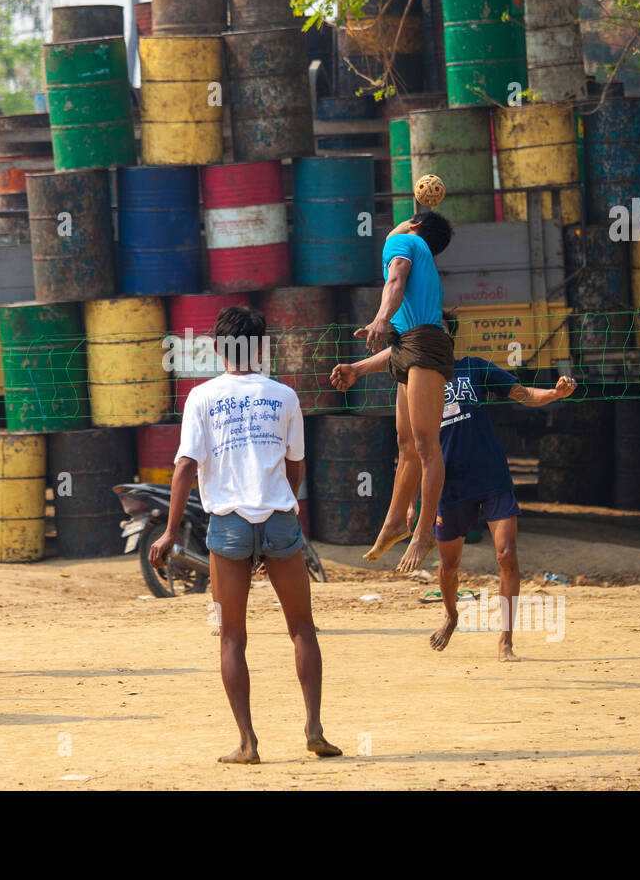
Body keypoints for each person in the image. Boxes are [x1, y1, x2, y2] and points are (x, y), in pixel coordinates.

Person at [149, 306, 341, 764]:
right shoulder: (285, 396)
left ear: (218, 347)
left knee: (232, 637)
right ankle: (314, 728)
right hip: (279, 521)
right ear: (261, 348)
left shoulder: (201, 397)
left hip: (228, 526)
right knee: (302, 629)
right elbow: (295, 466)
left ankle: (248, 743)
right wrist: (279, 507)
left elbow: (183, 469)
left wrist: (171, 531)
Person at [332, 349, 576, 661]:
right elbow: (411, 453)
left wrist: (554, 393)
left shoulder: (474, 367)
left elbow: (523, 394)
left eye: (440, 331)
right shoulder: (412, 381)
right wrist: (411, 504)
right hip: (448, 485)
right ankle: (451, 616)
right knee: (449, 565)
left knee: (507, 555)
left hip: (492, 476)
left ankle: (506, 641)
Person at [352, 211, 455, 573]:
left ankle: (425, 531)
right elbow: (401, 341)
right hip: (409, 346)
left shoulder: (402, 241)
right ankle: (397, 521)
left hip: (423, 346)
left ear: (414, 222)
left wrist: (381, 316)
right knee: (407, 444)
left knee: (427, 445)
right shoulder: (421, 250)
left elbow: (396, 279)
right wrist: (356, 369)